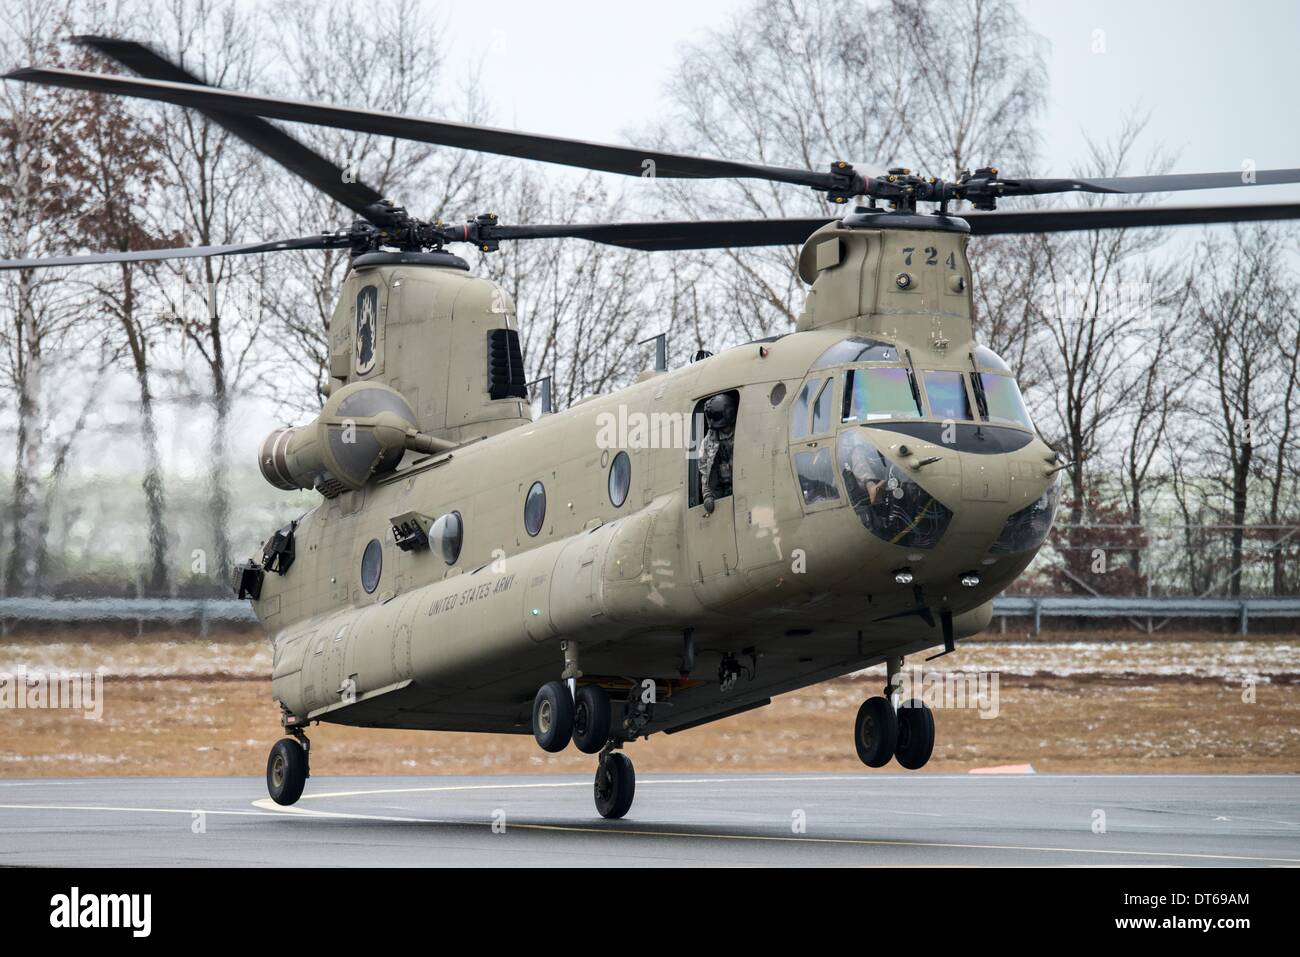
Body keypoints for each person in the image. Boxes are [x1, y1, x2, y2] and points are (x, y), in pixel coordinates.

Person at [698, 393, 736, 513]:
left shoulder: (743, 430)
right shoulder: (710, 439)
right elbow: (705, 469)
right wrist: (707, 494)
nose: (725, 432)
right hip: (726, 490)